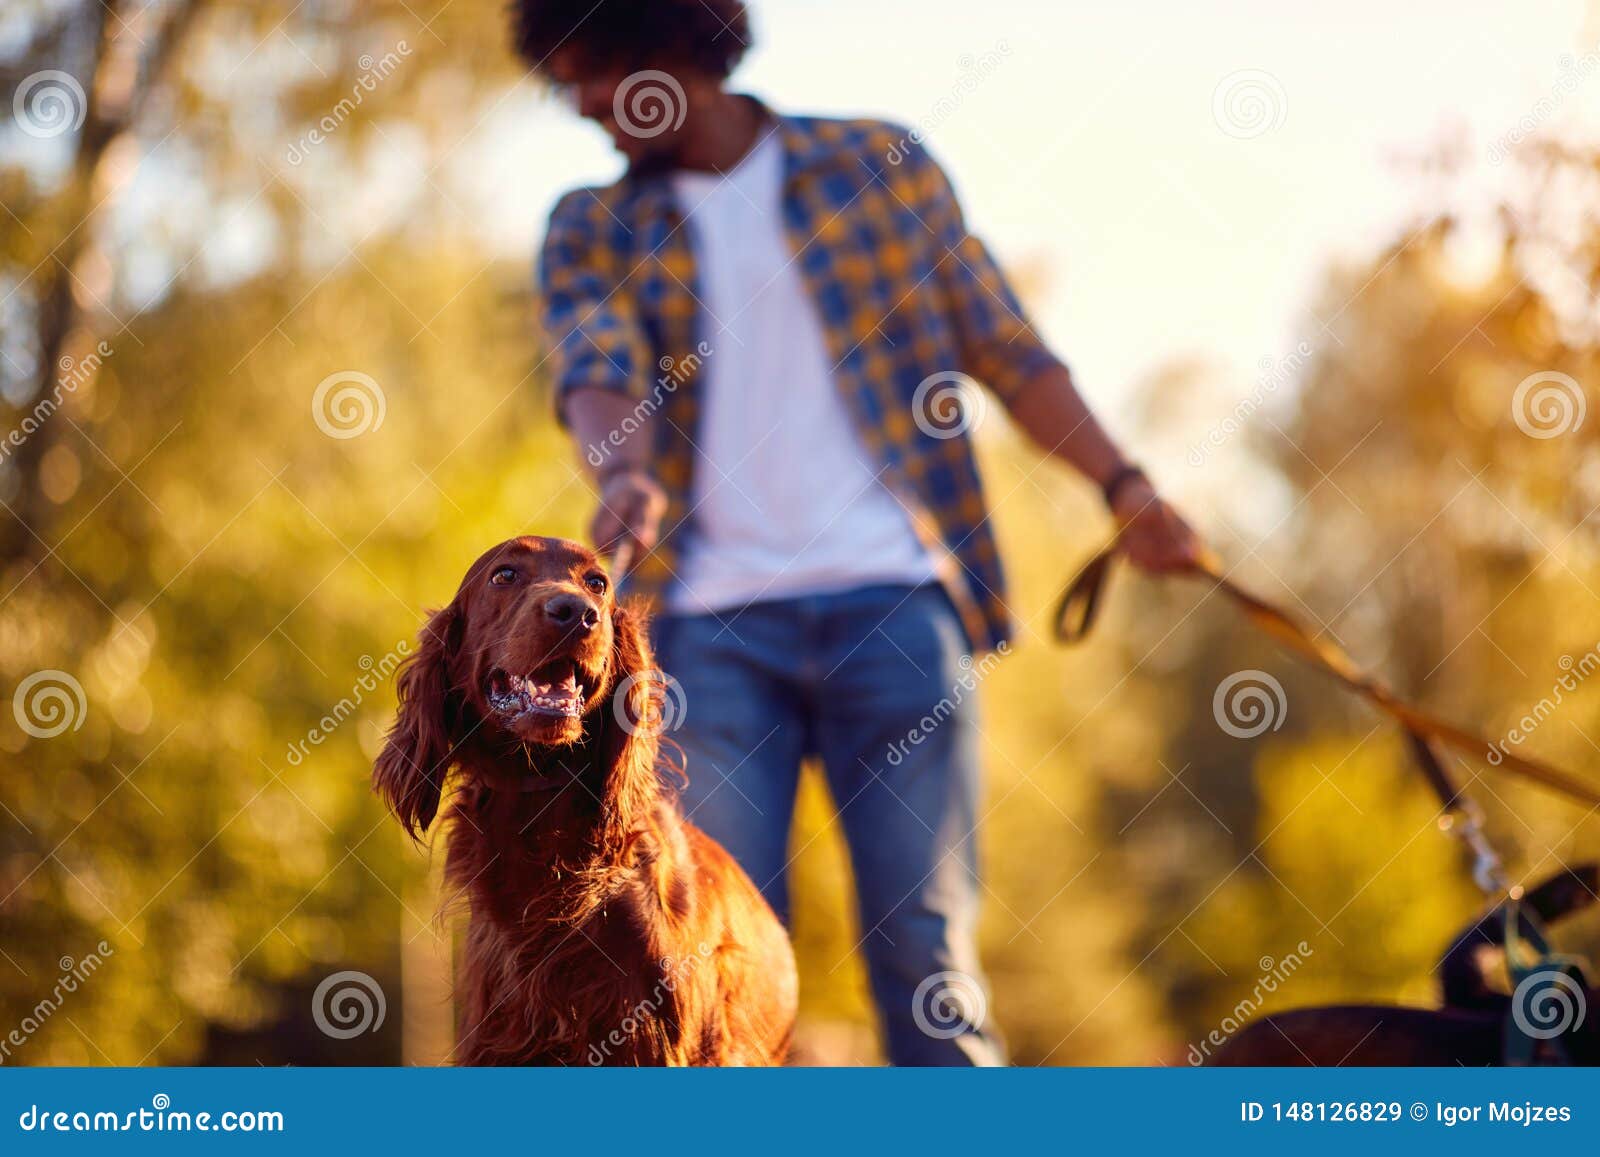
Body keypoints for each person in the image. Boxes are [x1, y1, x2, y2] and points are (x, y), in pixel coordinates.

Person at [517, 0, 1202, 1065]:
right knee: (708, 959)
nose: (587, 102)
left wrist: (1124, 484)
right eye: (567, 82)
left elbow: (1005, 346)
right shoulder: (591, 224)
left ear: (680, 36)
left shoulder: (874, 163)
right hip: (708, 631)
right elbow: (594, 368)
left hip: (893, 608)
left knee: (925, 957)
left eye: (599, 66)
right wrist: (627, 475)